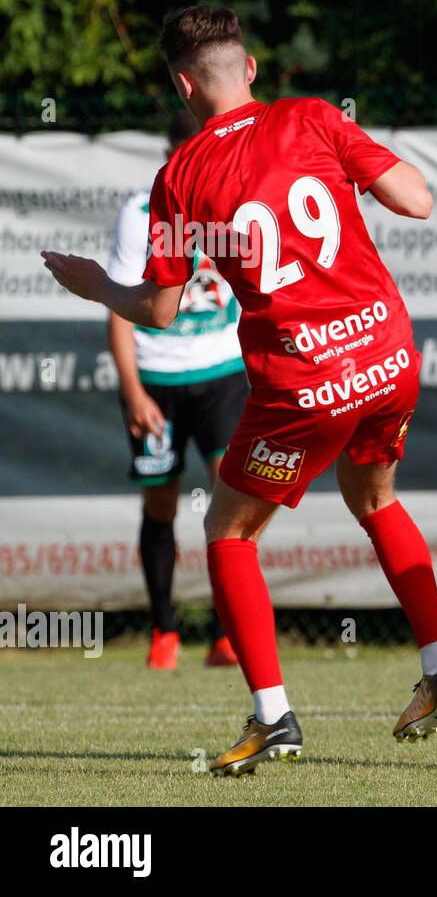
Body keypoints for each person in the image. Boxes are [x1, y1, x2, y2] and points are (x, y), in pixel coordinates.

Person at [43, 5, 437, 775]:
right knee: (376, 500)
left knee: (229, 530)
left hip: (305, 380)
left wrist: (97, 284)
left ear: (183, 86)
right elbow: (417, 200)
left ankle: (273, 715)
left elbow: (160, 310)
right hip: (387, 355)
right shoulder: (311, 118)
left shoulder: (178, 176)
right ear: (250, 70)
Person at [107, 110, 244, 670]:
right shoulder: (141, 212)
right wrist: (134, 391)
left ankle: (227, 634)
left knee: (231, 502)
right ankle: (164, 631)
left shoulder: (236, 204)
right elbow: (118, 307)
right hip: (158, 382)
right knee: (160, 503)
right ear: (173, 155)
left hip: (223, 375)